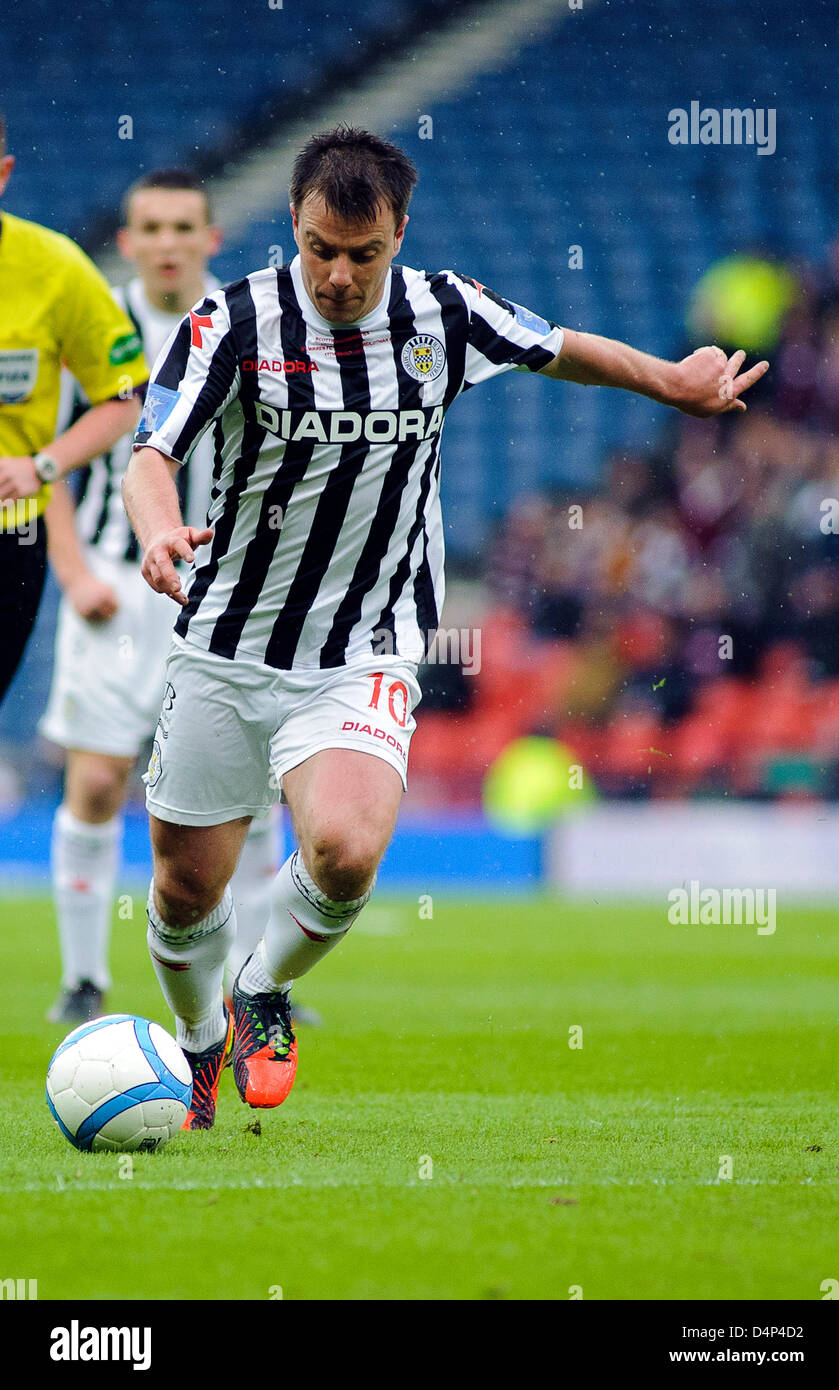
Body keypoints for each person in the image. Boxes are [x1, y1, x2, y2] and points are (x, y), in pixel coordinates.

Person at [123, 125, 769, 1130]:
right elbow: (148, 452)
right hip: (225, 644)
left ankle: (260, 990)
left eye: (362, 253)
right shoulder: (235, 321)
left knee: (342, 851)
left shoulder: (444, 311)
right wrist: (161, 533)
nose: (337, 275)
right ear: (293, 225)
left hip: (362, 646)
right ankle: (201, 1043)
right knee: (179, 889)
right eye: (317, 249)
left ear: (398, 233)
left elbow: (560, 349)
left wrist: (670, 382)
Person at [39, 169, 317, 1033]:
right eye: (149, 227)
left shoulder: (248, 320)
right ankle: (84, 978)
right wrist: (75, 573)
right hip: (119, 588)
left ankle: (255, 982)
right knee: (95, 779)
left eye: (181, 227)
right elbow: (49, 458)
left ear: (210, 237)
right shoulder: (102, 325)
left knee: (252, 787)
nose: (166, 242)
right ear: (126, 242)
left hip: (230, 591)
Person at [0, 110, 147, 704]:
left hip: (11, 538)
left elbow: (124, 399)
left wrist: (41, 466)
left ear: (4, 173)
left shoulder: (55, 267)